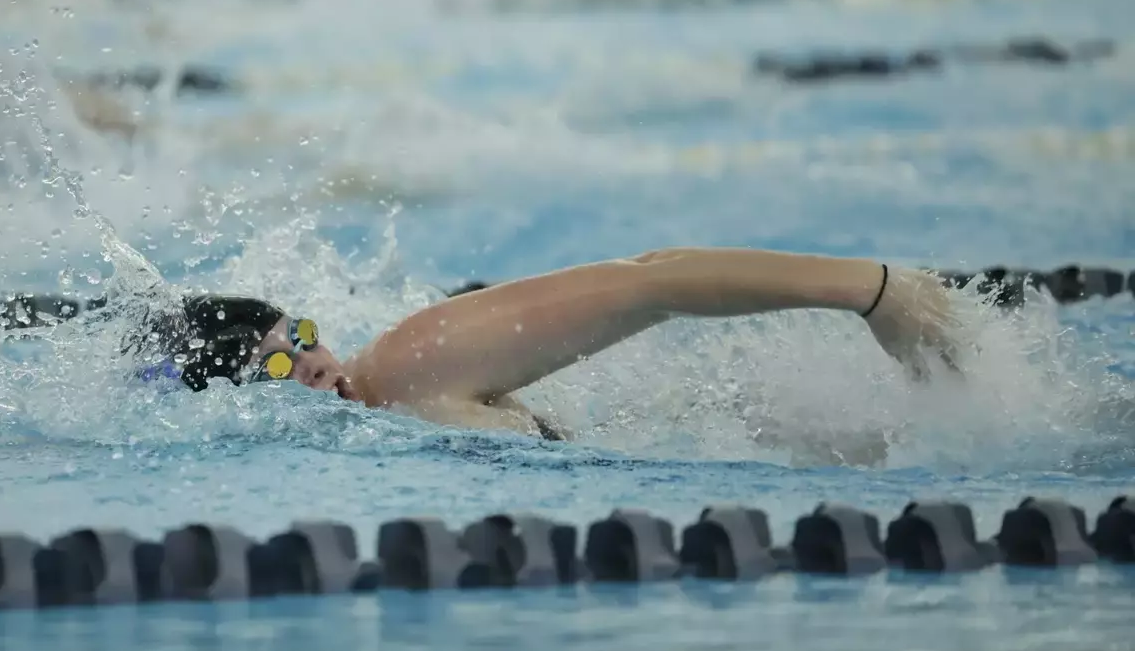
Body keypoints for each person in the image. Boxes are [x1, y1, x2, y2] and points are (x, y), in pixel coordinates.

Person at [134, 249, 962, 440]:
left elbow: (654, 280)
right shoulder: (368, 425)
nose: (310, 361)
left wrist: (871, 293)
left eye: (302, 336)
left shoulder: (403, 364)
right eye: (278, 361)